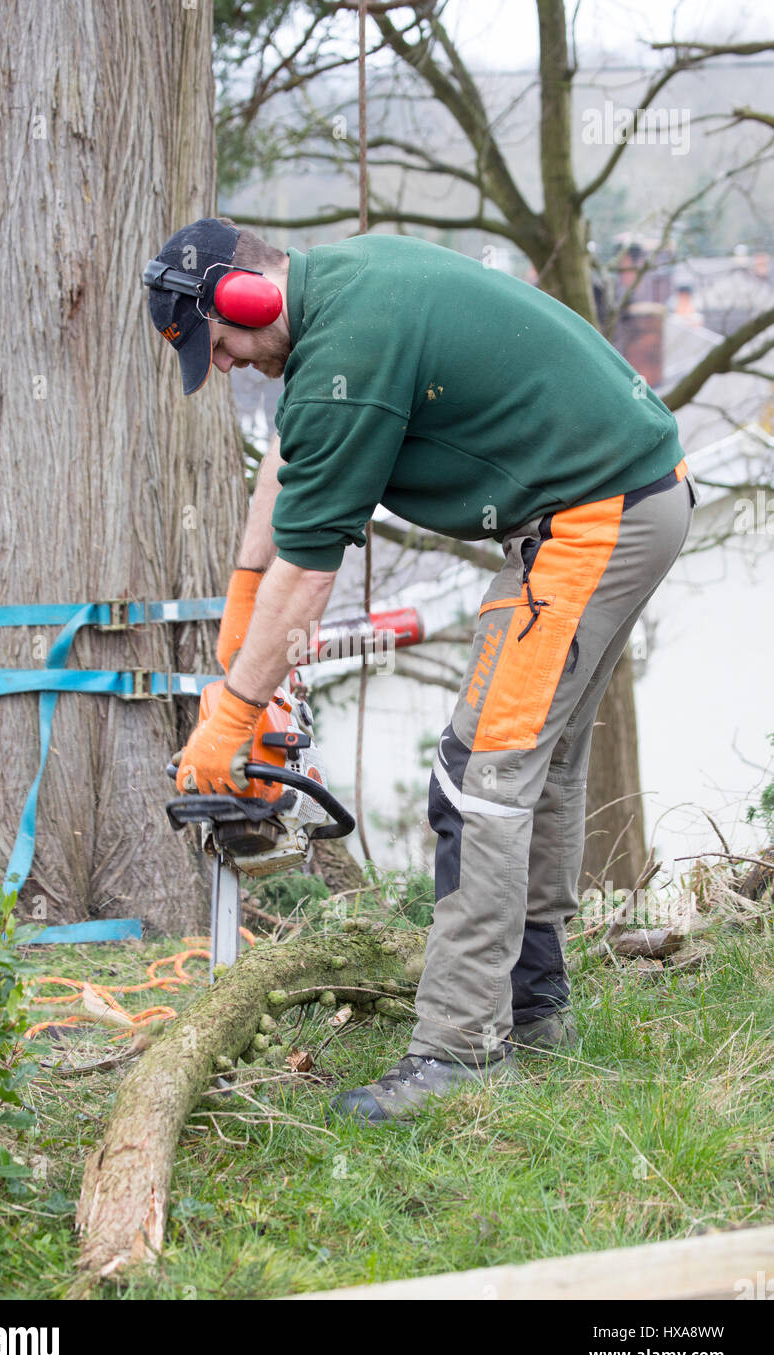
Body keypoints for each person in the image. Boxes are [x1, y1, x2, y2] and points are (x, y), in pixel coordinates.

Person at [144, 217, 697, 1125]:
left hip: (600, 519)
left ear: (248, 294)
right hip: (624, 499)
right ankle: (533, 1009)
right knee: (534, 765)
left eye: (226, 343)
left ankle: (459, 1053)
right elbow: (291, 462)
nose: (232, 364)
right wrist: (245, 603)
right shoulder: (340, 301)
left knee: (479, 777)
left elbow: (312, 575)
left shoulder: (345, 353)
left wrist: (234, 712)